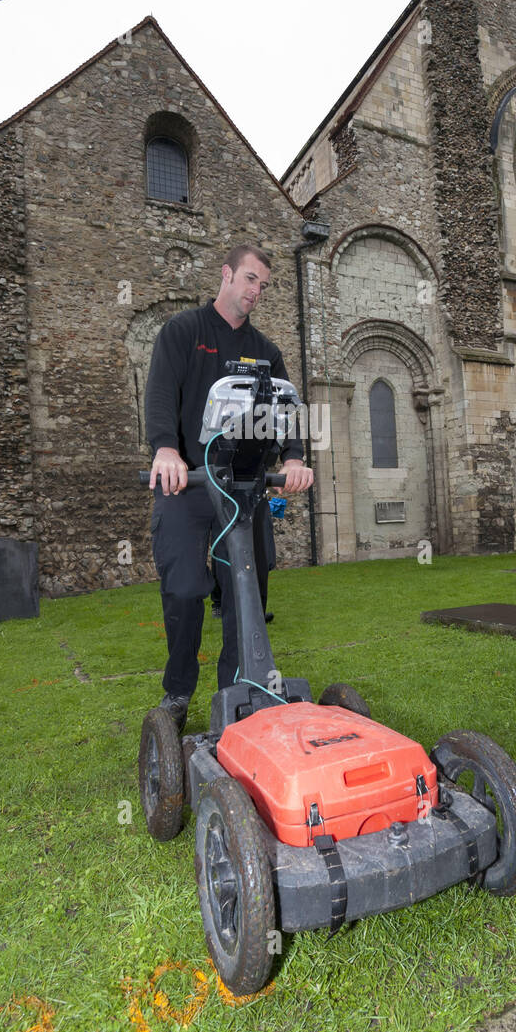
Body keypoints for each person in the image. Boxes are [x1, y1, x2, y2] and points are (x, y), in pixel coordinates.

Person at [144, 244, 313, 731]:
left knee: (247, 596)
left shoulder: (266, 352)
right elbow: (160, 393)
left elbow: (288, 411)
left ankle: (234, 697)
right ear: (226, 275)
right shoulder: (184, 332)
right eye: (250, 279)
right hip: (189, 484)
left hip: (243, 490)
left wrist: (295, 457)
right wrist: (165, 449)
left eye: (263, 284)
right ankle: (178, 692)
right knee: (183, 590)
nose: (256, 291)